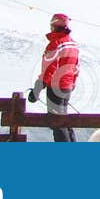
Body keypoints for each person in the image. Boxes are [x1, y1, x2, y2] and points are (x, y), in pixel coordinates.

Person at [29, 12, 80, 142]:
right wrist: (72, 83)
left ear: (54, 25)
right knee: (64, 119)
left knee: (56, 122)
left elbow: (49, 69)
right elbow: (76, 66)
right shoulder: (72, 44)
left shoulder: (56, 44)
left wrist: (37, 89)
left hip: (55, 86)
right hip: (67, 87)